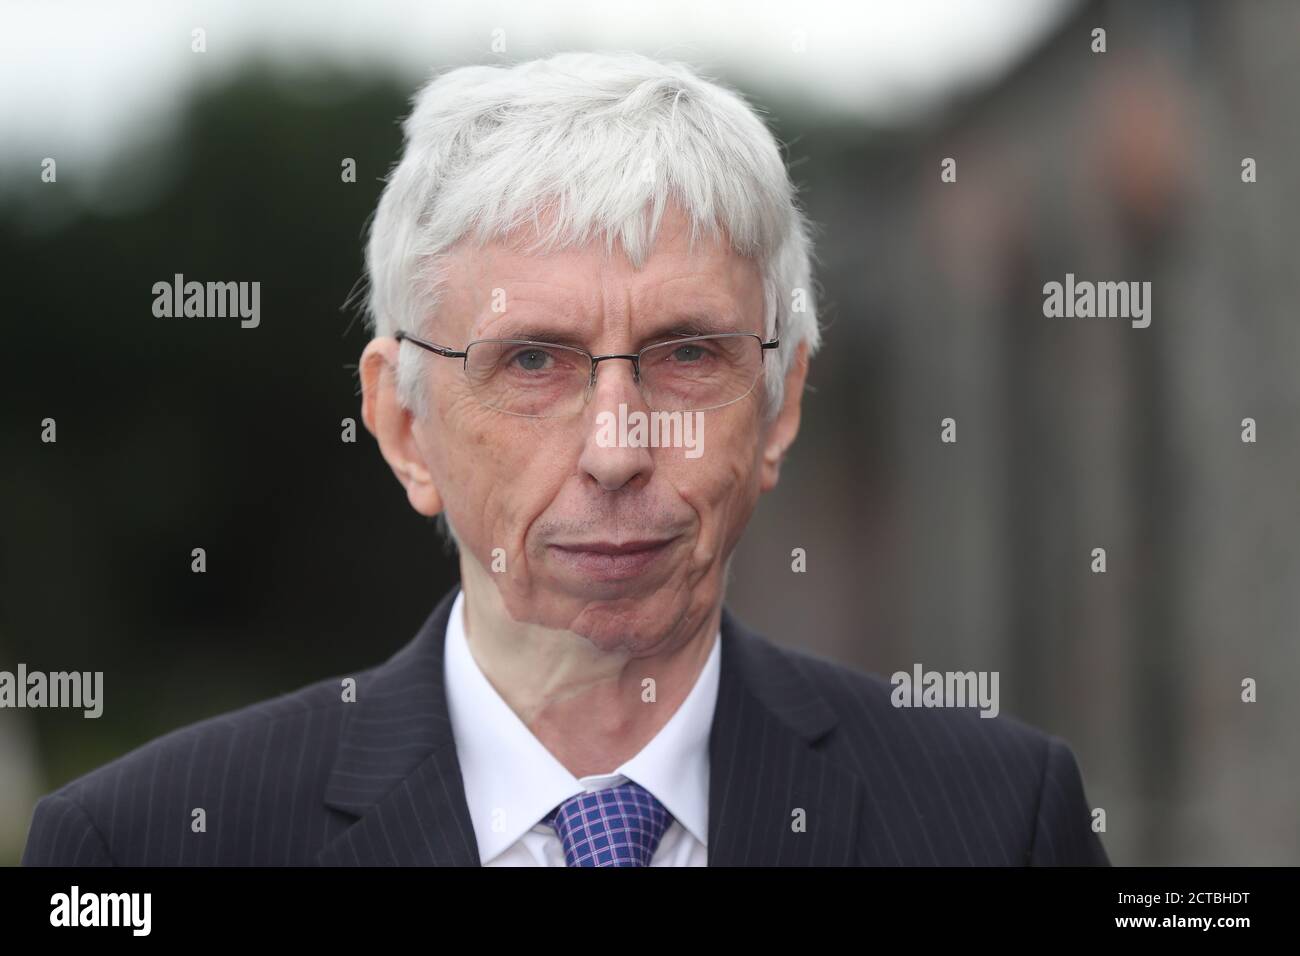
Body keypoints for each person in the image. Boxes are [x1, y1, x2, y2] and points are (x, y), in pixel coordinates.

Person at [23, 51, 1108, 867]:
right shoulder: (146, 847)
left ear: (780, 405)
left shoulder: (997, 820)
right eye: (533, 360)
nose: (618, 446)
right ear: (405, 428)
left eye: (688, 353)